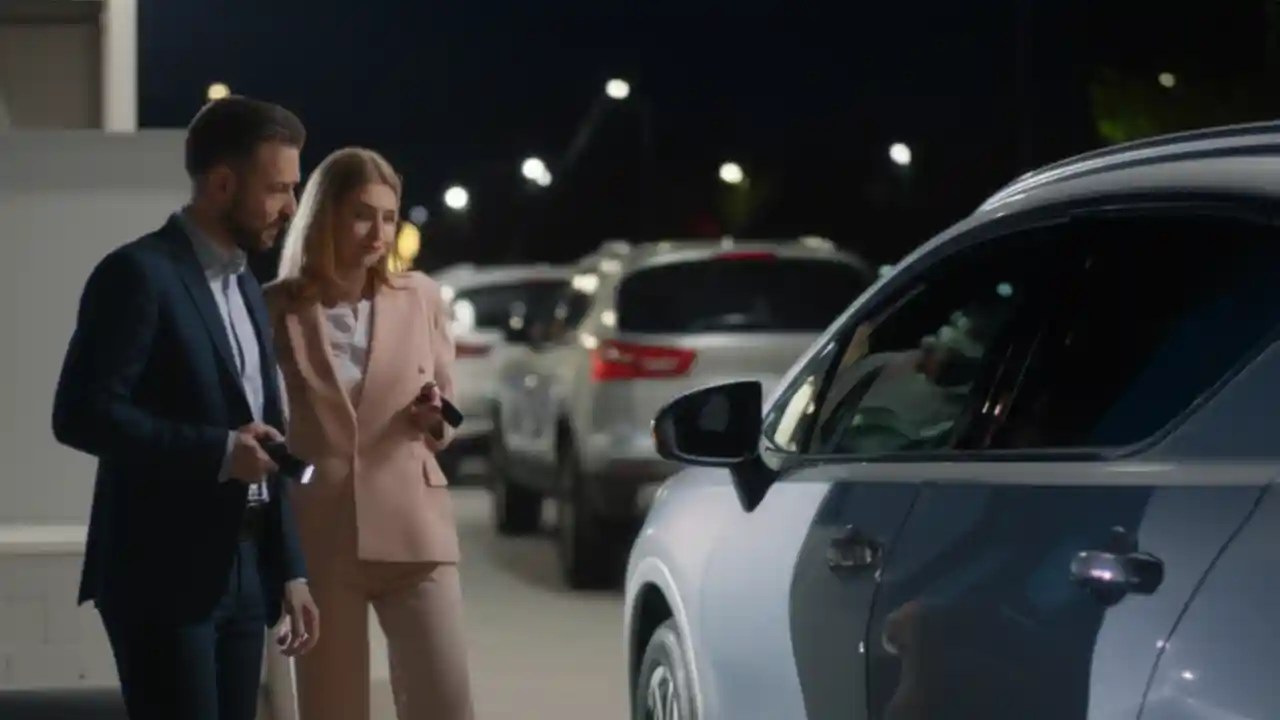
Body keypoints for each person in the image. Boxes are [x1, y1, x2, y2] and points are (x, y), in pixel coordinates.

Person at [51, 95, 321, 720]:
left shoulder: (248, 286)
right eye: (278, 188)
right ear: (224, 184)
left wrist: (291, 570)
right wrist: (219, 452)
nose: (290, 208)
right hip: (160, 575)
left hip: (246, 571)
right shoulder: (137, 274)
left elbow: (267, 435)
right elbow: (82, 413)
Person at [264, 147, 475, 720]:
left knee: (445, 703)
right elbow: (265, 422)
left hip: (415, 532)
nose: (378, 232)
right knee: (331, 708)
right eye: (362, 214)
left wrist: (437, 414)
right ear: (323, 215)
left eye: (389, 216)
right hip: (321, 535)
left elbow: (451, 417)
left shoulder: (421, 298)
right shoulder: (277, 308)